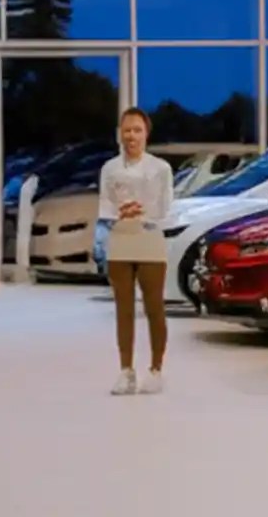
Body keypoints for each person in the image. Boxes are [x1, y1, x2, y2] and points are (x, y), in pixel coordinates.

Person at [97, 107, 174, 396]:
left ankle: (156, 369)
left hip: (150, 237)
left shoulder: (161, 168)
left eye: (137, 130)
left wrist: (143, 211)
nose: (132, 136)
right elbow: (105, 204)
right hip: (120, 238)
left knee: (154, 306)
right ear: (120, 134)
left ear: (146, 134)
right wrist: (121, 212)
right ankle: (126, 370)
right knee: (123, 309)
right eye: (127, 130)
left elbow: (166, 207)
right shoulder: (110, 168)